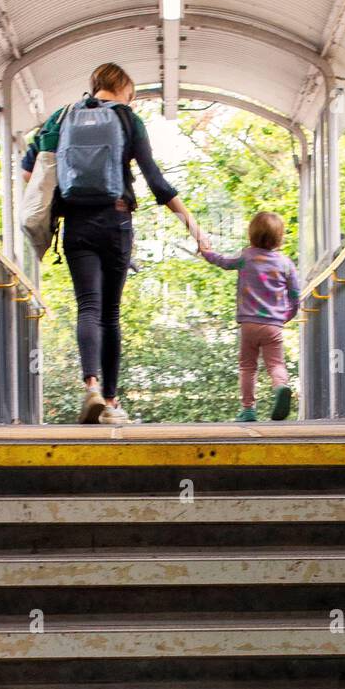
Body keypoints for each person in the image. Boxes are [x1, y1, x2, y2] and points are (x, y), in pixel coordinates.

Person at [22, 63, 204, 424]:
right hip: (116, 220)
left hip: (76, 223)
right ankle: (110, 403)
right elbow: (156, 181)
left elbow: (31, 171)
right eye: (131, 95)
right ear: (123, 88)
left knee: (87, 307)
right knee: (110, 313)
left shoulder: (61, 117)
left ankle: (90, 385)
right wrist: (193, 226)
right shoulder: (127, 119)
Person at [199, 211, 299, 422]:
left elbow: (223, 261)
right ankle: (281, 387)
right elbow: (295, 294)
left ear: (251, 235)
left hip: (249, 324)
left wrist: (206, 252)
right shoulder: (285, 263)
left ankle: (248, 409)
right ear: (279, 238)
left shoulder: (246, 257)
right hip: (274, 325)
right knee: (276, 364)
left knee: (247, 366)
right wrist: (288, 315)